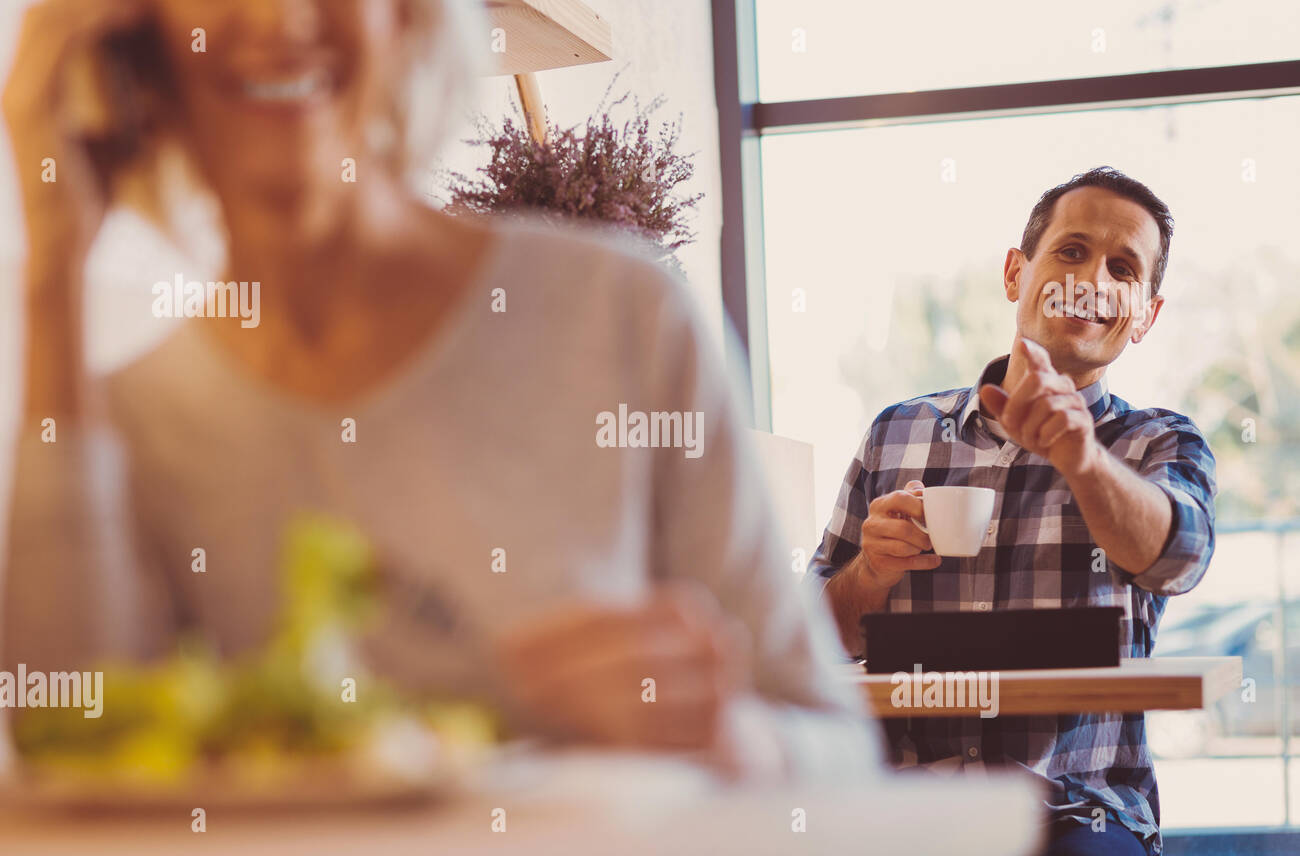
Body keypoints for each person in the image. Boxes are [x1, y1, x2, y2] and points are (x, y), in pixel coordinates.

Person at [1, 0, 879, 781]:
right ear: (132, 33)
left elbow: (838, 756)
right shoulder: (125, 416)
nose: (277, 20)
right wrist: (53, 269)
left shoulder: (624, 317)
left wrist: (720, 739)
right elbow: (69, 749)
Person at [808, 167, 1217, 856]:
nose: (1091, 278)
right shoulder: (897, 431)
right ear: (1014, 273)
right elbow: (810, 638)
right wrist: (869, 572)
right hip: (902, 807)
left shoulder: (1160, 443)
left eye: (1123, 268)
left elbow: (1180, 560)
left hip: (1075, 813)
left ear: (1144, 315)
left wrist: (1082, 455)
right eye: (1071, 251)